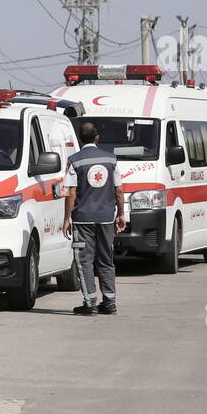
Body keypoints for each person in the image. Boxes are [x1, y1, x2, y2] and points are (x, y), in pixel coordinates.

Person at [61, 120, 126, 316]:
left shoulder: (74, 160)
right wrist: (121, 214)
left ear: (80, 139)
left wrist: (66, 218)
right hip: (106, 217)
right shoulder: (111, 159)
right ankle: (110, 302)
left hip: (83, 219)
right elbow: (119, 190)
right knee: (106, 260)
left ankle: (90, 303)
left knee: (84, 261)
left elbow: (71, 192)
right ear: (97, 138)